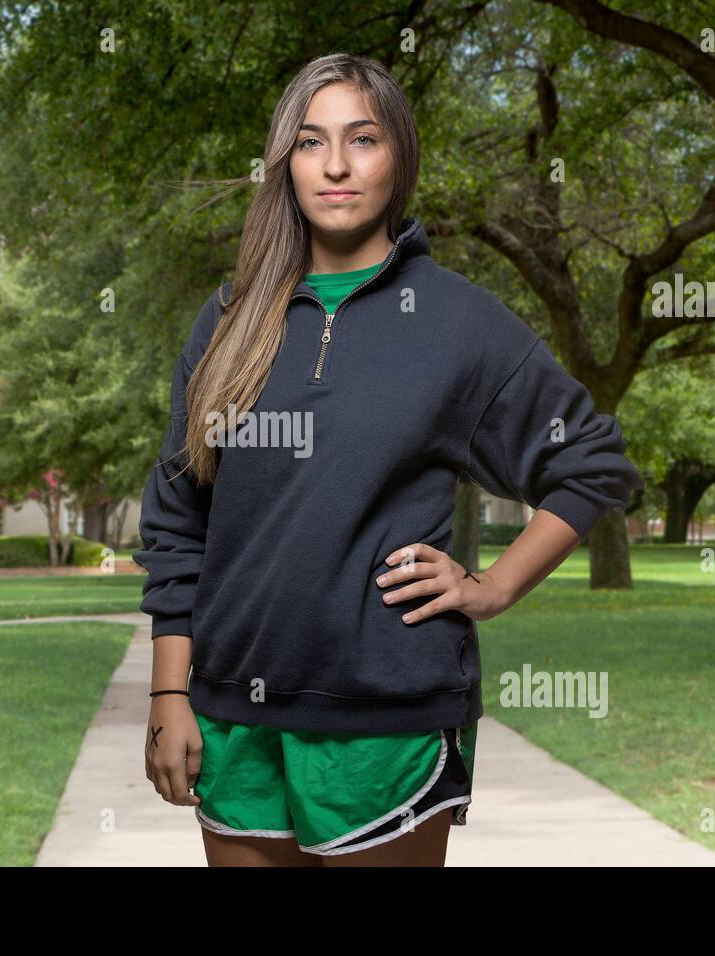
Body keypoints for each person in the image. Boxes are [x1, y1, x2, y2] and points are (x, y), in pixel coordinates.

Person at [134, 52, 644, 867]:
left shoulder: (456, 321)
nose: (335, 165)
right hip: (233, 717)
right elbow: (177, 519)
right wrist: (169, 692)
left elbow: (589, 458)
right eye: (310, 142)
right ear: (285, 164)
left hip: (387, 722)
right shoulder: (227, 317)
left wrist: (494, 585)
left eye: (362, 139)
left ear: (398, 156)